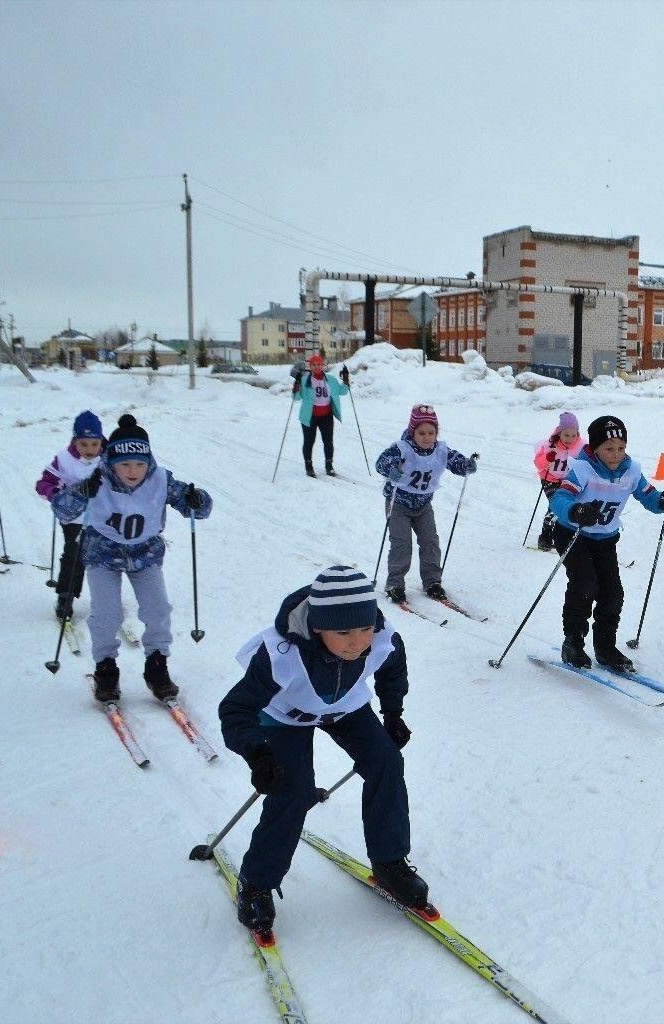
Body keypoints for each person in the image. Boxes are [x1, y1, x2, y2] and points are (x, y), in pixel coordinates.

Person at [218, 566, 426, 934]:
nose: (356, 642)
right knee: (293, 792)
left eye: (364, 628)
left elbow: (392, 669)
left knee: (386, 761)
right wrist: (258, 753)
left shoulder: (381, 637)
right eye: (343, 632)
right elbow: (236, 709)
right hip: (286, 716)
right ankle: (257, 883)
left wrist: (392, 712)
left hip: (345, 708)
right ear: (318, 627)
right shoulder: (280, 654)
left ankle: (389, 862)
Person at [51, 414, 214, 702]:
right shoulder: (97, 480)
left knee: (158, 609)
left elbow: (196, 509)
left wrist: (197, 499)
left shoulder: (160, 478)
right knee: (106, 614)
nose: (133, 470)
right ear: (111, 460)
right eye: (125, 464)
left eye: (139, 463)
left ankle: (157, 665)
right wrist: (80, 493)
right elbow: (62, 510)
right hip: (103, 554)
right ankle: (106, 669)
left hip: (145, 554)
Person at [549, 415, 664, 672]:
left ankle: (605, 647)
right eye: (609, 448)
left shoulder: (631, 471)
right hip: (573, 535)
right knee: (585, 584)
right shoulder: (582, 469)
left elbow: (648, 496)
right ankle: (573, 642)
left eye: (621, 448)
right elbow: (559, 498)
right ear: (595, 448)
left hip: (604, 539)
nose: (616, 454)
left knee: (612, 593)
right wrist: (575, 511)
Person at [374, 404, 477, 606]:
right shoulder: (402, 448)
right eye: (421, 433)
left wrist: (466, 464)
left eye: (431, 432)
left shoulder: (440, 450)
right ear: (413, 432)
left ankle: (432, 581)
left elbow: (456, 462)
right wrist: (391, 469)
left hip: (423, 506)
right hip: (398, 504)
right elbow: (381, 462)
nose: (427, 437)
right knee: (402, 544)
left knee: (430, 543)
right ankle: (395, 584)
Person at [35, 410, 104, 620]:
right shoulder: (64, 459)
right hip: (73, 519)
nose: (90, 450)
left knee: (103, 559)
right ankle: (66, 596)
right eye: (84, 444)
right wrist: (56, 494)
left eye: (94, 444)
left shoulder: (109, 458)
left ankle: (106, 599)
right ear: (75, 441)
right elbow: (43, 483)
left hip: (103, 518)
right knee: (74, 556)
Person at [532, 411, 584, 552]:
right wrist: (548, 458)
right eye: (566, 435)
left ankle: (562, 535)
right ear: (559, 432)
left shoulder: (582, 446)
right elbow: (538, 463)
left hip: (568, 481)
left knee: (569, 506)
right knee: (555, 505)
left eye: (574, 435)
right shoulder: (549, 445)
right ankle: (545, 537)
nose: (570, 438)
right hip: (550, 479)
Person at [293, 353, 350, 477]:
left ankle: (329, 466)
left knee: (328, 441)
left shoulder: (332, 380)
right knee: (309, 441)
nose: (316, 367)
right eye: (313, 365)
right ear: (310, 366)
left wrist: (345, 379)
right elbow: (296, 398)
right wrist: (296, 387)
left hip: (326, 416)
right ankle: (309, 467)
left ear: (322, 365)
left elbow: (343, 391)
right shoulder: (304, 380)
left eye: (319, 364)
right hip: (309, 416)